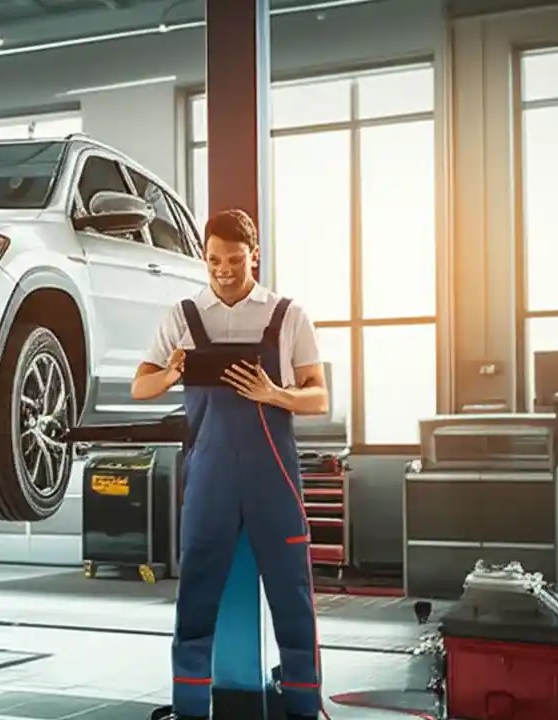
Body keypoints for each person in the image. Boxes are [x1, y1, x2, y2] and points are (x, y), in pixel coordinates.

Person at [131, 208, 329, 720]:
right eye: (214, 260)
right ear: (204, 256)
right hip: (208, 477)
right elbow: (140, 385)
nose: (224, 270)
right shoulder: (183, 316)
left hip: (273, 478)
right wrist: (171, 373)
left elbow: (319, 397)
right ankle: (190, 707)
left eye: (235, 260)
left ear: (254, 256)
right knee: (195, 595)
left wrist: (274, 393)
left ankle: (304, 706)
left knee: (292, 596)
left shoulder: (287, 315)